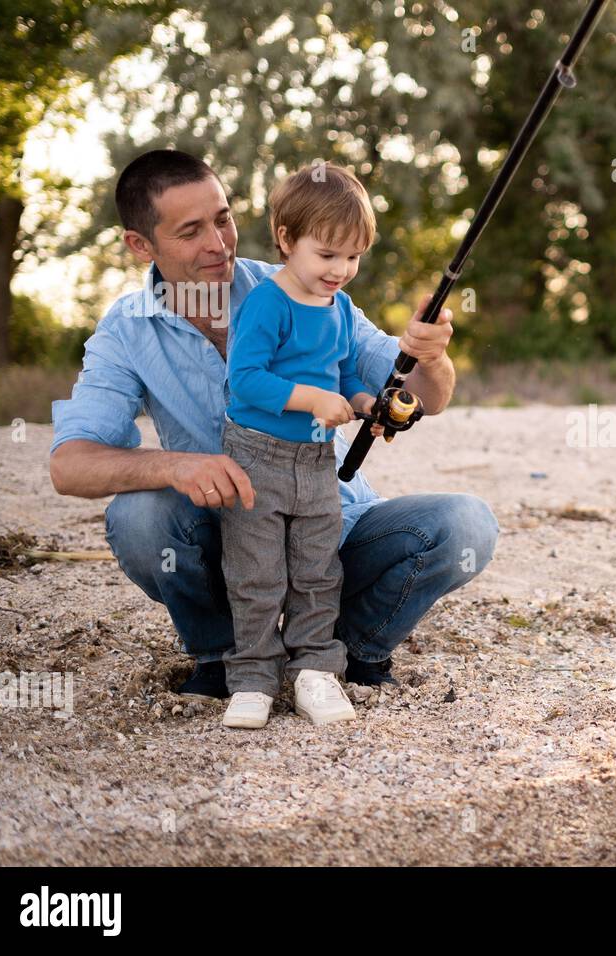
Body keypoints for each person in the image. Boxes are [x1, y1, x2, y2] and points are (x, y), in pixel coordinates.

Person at [48, 149, 498, 702]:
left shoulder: (310, 285)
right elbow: (71, 465)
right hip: (228, 536)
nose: (218, 244)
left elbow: (422, 397)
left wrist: (430, 357)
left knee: (465, 525)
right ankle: (220, 654)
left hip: (332, 520)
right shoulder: (124, 332)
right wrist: (177, 466)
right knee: (139, 515)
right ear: (141, 245)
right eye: (191, 231)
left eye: (223, 218)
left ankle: (352, 650)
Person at [219, 162, 385, 729]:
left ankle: (315, 670)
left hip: (317, 459)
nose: (341, 270)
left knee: (318, 569)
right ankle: (252, 677)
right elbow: (246, 380)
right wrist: (312, 400)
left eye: (353, 257)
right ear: (287, 240)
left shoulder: (338, 309)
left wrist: (363, 404)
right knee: (258, 573)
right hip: (256, 455)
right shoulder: (269, 302)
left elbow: (339, 377)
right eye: (328, 254)